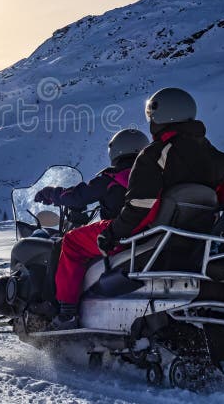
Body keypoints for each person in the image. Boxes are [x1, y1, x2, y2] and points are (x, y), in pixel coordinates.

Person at [97, 87, 224, 261]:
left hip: (152, 238)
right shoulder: (218, 160)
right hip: (199, 240)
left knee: (73, 242)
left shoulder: (154, 154)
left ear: (159, 116)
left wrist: (112, 234)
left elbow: (140, 205)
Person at [34, 128, 150, 330]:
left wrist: (52, 193)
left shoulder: (113, 177)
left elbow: (78, 196)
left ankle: (66, 311)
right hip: (147, 233)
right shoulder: (152, 175)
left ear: (116, 151)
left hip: (118, 233)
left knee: (70, 242)